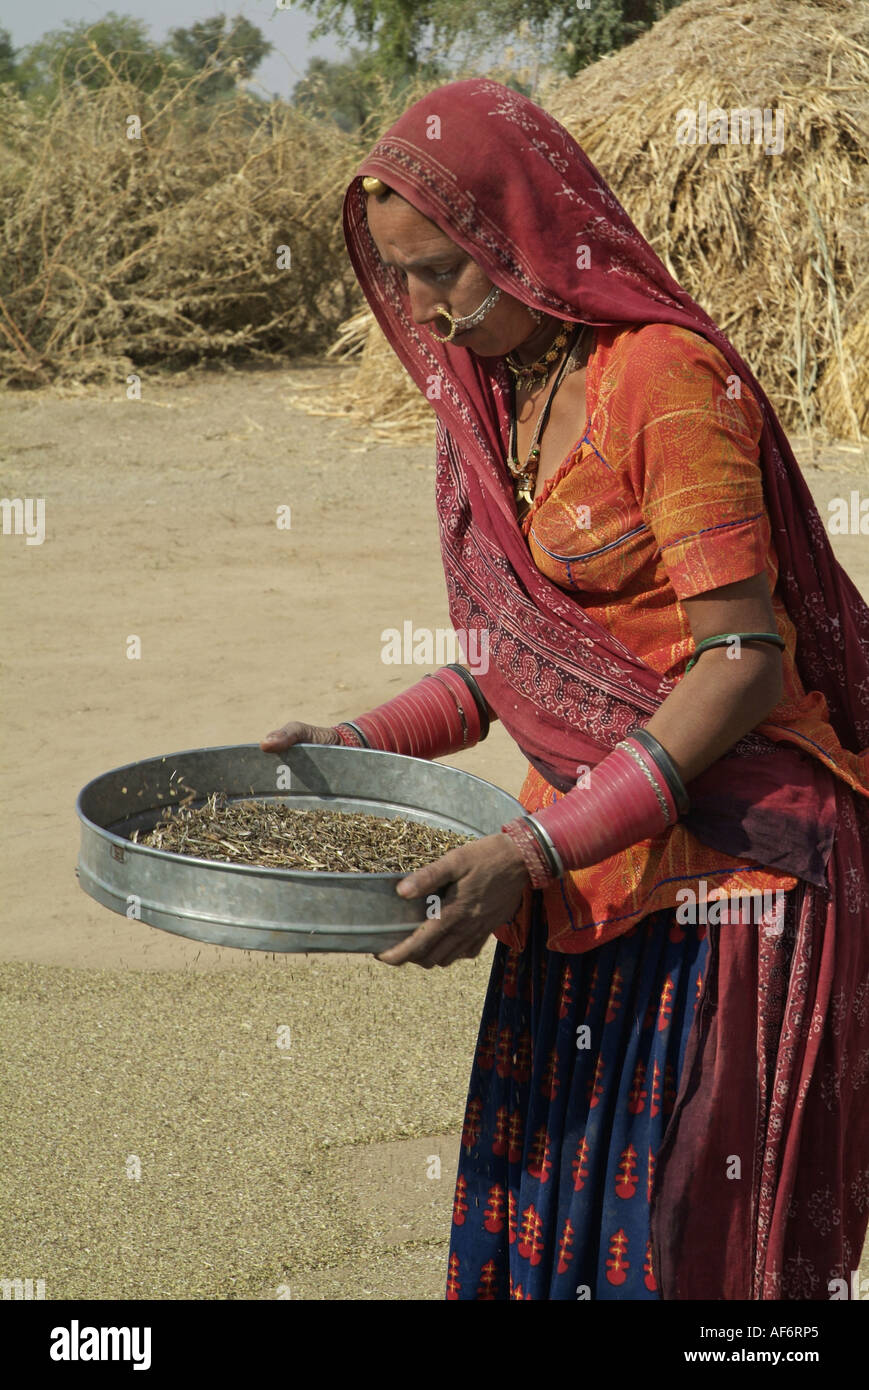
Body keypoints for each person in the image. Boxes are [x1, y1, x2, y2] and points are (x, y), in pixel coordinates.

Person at [261, 79, 869, 1301]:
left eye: (444, 271)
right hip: (581, 868)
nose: (426, 312)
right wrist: (351, 744)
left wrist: (530, 852)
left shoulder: (663, 380)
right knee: (564, 1228)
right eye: (403, 280)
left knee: (688, 1251)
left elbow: (738, 663)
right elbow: (514, 660)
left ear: (521, 233)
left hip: (728, 881)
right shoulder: (488, 403)